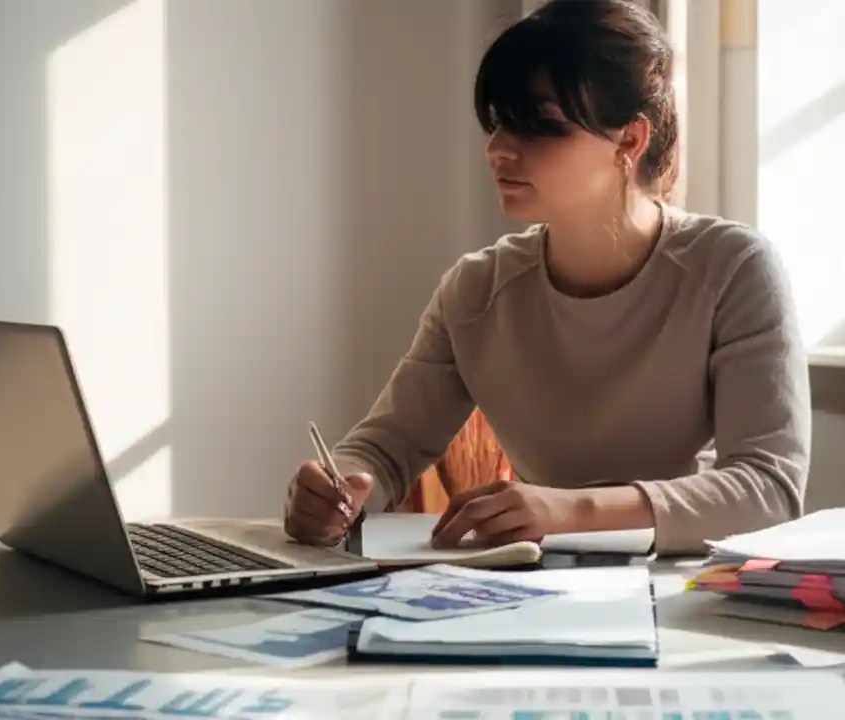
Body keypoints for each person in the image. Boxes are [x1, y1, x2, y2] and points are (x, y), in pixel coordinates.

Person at [284, 0, 810, 555]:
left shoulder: (733, 269)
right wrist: (339, 487)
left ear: (630, 141)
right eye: (499, 123)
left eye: (538, 126)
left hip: (690, 583)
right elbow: (386, 449)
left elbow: (768, 490)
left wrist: (567, 510)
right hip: (534, 582)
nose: (498, 149)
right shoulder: (477, 291)